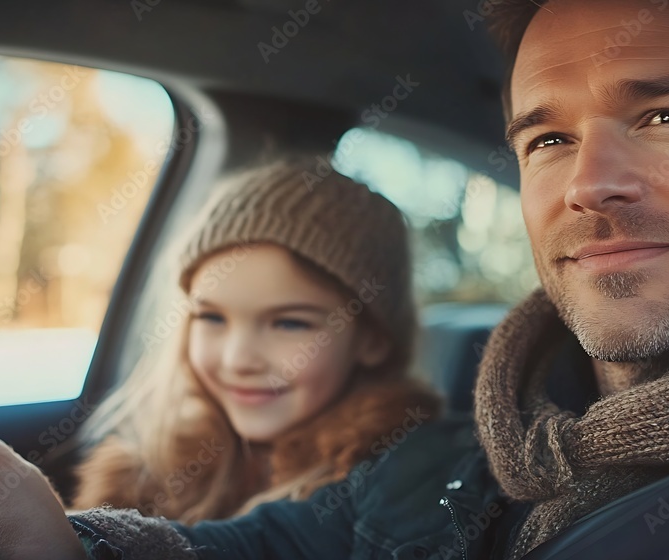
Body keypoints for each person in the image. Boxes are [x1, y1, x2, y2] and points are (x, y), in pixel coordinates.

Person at [0, 0, 669, 558]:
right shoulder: (460, 451)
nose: (589, 184)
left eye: (666, 115)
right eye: (547, 138)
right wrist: (65, 543)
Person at [67, 156, 439, 524]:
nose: (237, 360)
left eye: (289, 324)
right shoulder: (145, 477)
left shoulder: (390, 491)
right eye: (211, 317)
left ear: (372, 340)